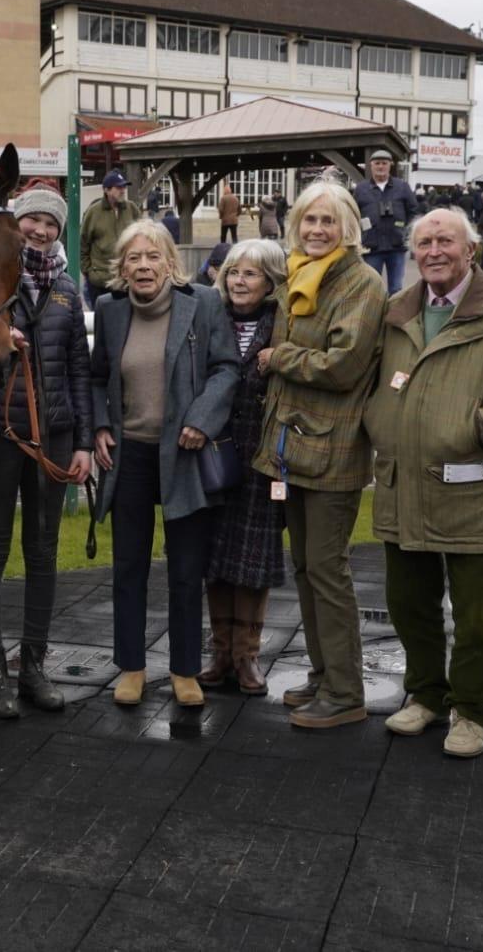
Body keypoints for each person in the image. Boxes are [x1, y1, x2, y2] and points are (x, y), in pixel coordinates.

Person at [364, 209, 483, 759]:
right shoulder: (396, 311)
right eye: (424, 243)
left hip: (475, 488)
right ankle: (425, 695)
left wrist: (477, 426)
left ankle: (470, 709)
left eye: (445, 241)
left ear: (470, 250)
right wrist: (379, 422)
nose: (434, 252)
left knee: (476, 619)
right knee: (409, 605)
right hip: (402, 484)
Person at [252, 180, 387, 730]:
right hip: (292, 446)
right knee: (306, 568)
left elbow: (343, 364)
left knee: (327, 571)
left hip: (333, 448)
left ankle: (345, 691)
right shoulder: (299, 273)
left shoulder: (360, 282)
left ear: (347, 227)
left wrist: (278, 356)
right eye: (309, 219)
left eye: (328, 221)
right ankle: (324, 674)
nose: (317, 229)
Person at [91, 220, 237, 709]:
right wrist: (100, 426)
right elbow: (96, 377)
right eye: (133, 258)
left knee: (186, 570)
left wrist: (201, 420)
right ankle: (131, 667)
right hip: (130, 453)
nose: (143, 266)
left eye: (153, 256)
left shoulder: (203, 303)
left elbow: (226, 368)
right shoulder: (110, 310)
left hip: (185, 452)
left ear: (170, 262)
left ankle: (184, 670)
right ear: (122, 266)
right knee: (128, 567)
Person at [0, 187, 92, 717]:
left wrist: (84, 441)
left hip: (52, 437)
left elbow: (80, 369)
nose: (40, 230)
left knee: (42, 552)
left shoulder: (66, 289)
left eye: (50, 223)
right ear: (14, 225)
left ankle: (34, 666)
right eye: (31, 220)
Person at [200, 239, 288, 695]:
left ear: (271, 281)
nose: (238, 280)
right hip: (212, 454)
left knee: (253, 560)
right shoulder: (209, 317)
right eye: (233, 271)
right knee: (214, 557)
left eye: (250, 273)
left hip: (262, 458)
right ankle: (219, 653)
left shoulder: (283, 325)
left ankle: (246, 655)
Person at [353, 149, 418, 293]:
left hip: (397, 245)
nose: (380, 166)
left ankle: (394, 309)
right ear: (371, 166)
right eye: (377, 163)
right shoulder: (361, 189)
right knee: (371, 287)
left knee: (396, 288)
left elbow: (414, 211)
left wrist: (406, 232)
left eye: (384, 163)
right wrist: (359, 236)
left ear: (390, 165)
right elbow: (353, 214)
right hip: (371, 246)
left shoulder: (402, 187)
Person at [79, 169, 142, 308]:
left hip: (126, 279)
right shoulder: (93, 212)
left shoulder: (132, 209)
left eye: (124, 187)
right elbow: (83, 243)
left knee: (126, 317)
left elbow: (143, 235)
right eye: (118, 187)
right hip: (100, 281)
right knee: (101, 318)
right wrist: (88, 271)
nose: (123, 190)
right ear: (106, 190)